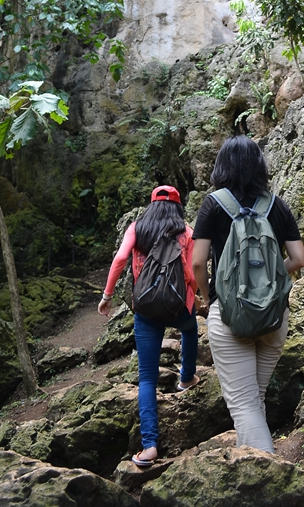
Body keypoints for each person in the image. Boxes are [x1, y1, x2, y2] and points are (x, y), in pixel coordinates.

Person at [191, 136, 304, 454]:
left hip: (230, 316)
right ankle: (252, 469)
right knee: (254, 398)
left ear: (221, 167)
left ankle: (268, 475)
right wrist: (270, 280)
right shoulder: (276, 204)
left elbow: (198, 261)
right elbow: (299, 259)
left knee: (243, 405)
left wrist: (209, 298)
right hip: (273, 316)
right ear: (260, 166)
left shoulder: (213, 204)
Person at [98, 185, 200, 467]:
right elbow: (191, 272)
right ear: (178, 207)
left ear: (151, 205)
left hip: (145, 309)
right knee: (190, 330)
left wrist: (107, 296)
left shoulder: (137, 227)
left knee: (146, 377)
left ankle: (150, 447)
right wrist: (197, 298)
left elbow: (120, 259)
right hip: (178, 305)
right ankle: (186, 377)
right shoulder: (186, 231)